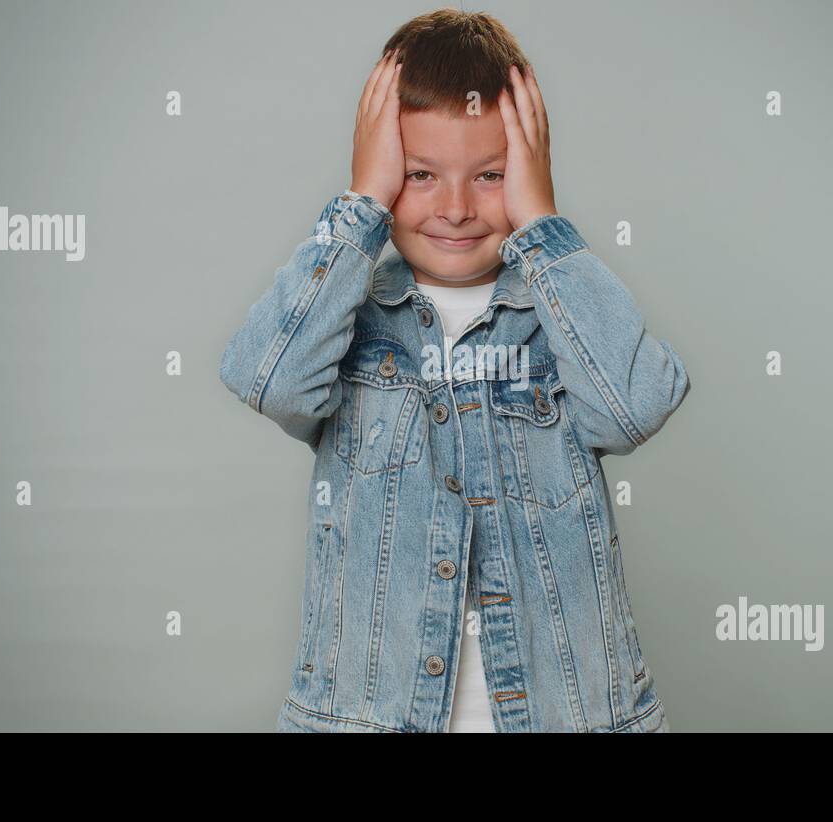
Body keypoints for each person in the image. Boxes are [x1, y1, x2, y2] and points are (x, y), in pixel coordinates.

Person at [219, 9, 688, 732]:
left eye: (491, 175)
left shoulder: (561, 321)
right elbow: (268, 378)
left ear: (530, 169)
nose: (458, 208)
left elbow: (635, 407)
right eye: (420, 175)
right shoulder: (350, 326)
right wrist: (361, 205)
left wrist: (541, 226)